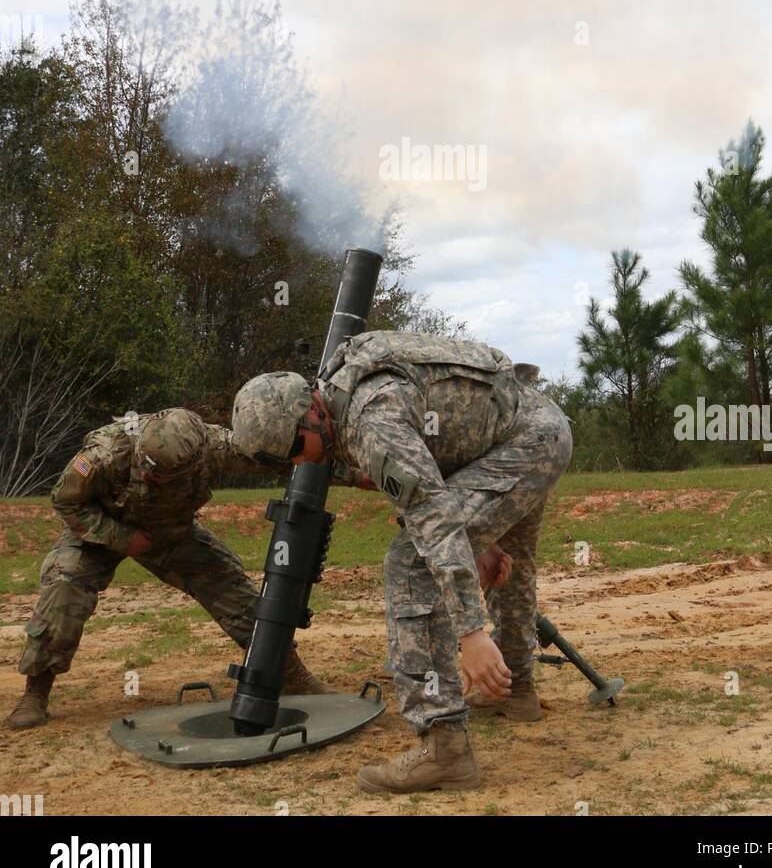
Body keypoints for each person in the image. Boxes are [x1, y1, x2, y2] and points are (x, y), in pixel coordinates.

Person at [231, 330, 573, 793]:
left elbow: (434, 518)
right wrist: (482, 535)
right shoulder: (340, 394)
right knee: (513, 563)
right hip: (529, 430)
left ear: (310, 413)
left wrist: (471, 634)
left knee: (411, 563)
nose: (299, 461)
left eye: (295, 448)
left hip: (524, 443)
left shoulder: (372, 423)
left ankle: (444, 745)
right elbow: (437, 464)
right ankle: (516, 692)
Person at [4, 407, 332, 730]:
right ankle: (35, 693)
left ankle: (291, 674)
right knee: (65, 584)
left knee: (231, 587)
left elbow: (290, 456)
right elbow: (66, 500)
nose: (147, 475)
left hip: (169, 532)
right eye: (145, 466)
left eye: (158, 473)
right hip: (100, 530)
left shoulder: (216, 448)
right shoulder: (105, 453)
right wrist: (122, 538)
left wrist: (351, 472)